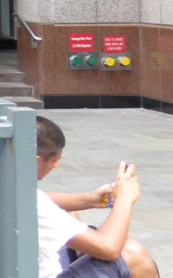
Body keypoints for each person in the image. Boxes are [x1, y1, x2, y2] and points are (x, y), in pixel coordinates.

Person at [35, 116, 159, 278]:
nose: (56, 165)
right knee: (133, 254)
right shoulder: (33, 206)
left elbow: (38, 198)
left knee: (70, 213)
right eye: (54, 160)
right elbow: (109, 249)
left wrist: (89, 199)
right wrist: (124, 199)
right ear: (36, 161)